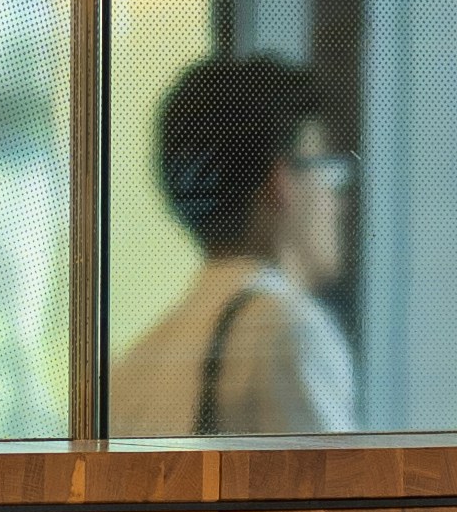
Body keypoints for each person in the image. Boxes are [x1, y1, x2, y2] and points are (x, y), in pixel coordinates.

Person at [113, 51, 359, 438]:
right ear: (280, 182)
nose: (339, 199)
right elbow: (341, 493)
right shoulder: (290, 334)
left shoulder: (130, 367)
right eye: (326, 168)